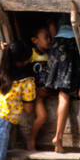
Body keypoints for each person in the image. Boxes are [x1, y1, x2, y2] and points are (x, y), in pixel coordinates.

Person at [46, 13, 80, 153]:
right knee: (64, 94)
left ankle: (58, 137)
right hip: (72, 46)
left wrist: (54, 42)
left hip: (57, 44)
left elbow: (52, 24)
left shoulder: (60, 12)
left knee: (61, 93)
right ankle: (58, 137)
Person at [28, 17, 52, 151]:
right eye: (46, 37)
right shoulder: (30, 55)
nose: (49, 40)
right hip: (36, 93)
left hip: (47, 91)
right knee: (42, 117)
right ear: (34, 40)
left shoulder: (51, 55)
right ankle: (31, 139)